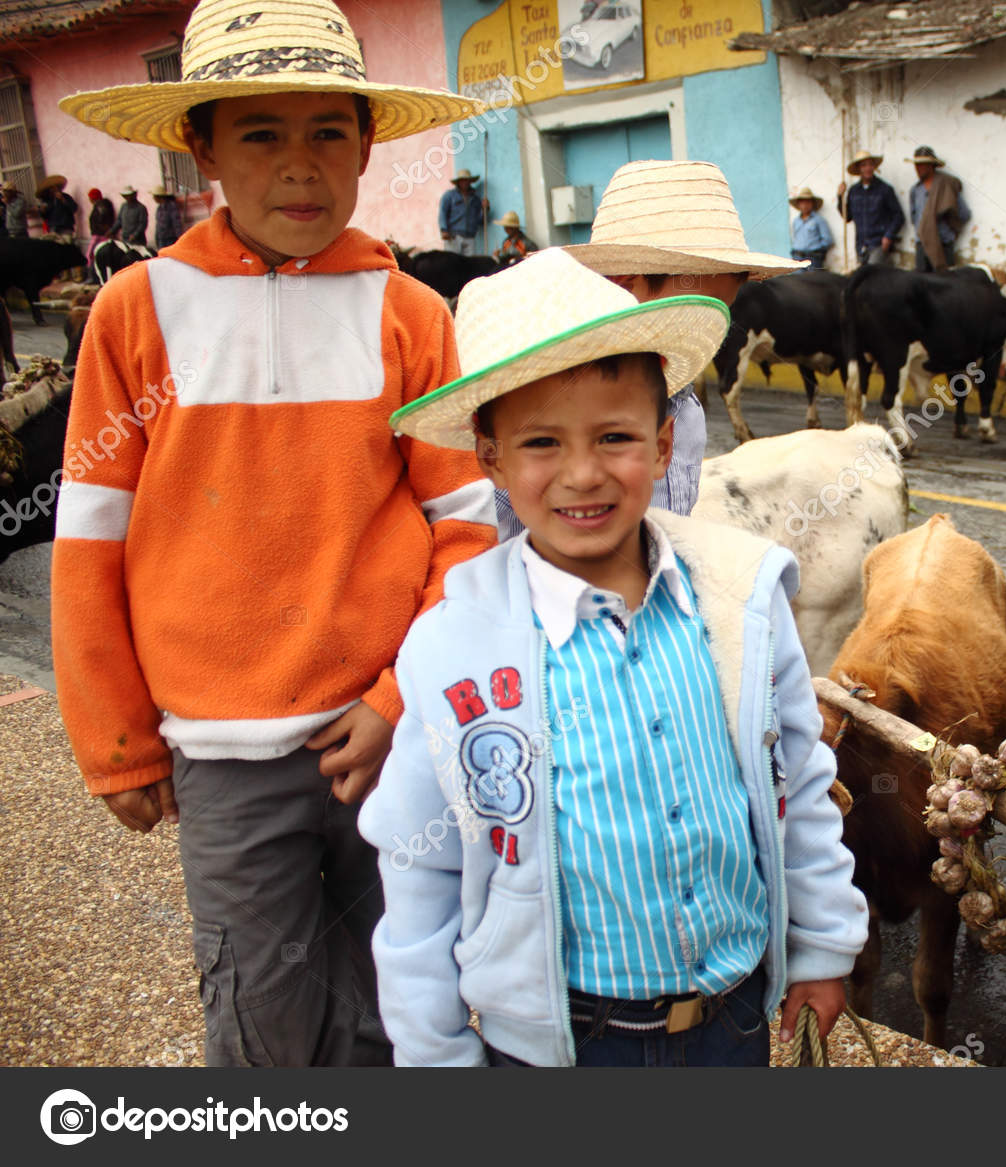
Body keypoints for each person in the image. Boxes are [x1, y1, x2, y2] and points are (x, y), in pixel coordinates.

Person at [52, 0, 494, 1067]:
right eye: (260, 134)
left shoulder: (410, 314)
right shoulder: (137, 309)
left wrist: (403, 701)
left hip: (387, 743)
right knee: (261, 1014)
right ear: (200, 146)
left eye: (327, 134)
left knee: (401, 995)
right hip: (220, 749)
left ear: (366, 145)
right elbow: (90, 539)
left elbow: (468, 533)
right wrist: (115, 741)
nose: (300, 167)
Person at [360, 247, 868, 1066]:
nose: (583, 474)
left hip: (732, 1023)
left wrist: (820, 943)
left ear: (666, 443)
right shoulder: (453, 645)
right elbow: (418, 866)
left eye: (616, 436)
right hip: (566, 1043)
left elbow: (798, 782)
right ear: (488, 456)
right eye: (541, 443)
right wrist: (436, 1053)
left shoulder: (740, 599)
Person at [556, 159, 802, 525]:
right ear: (624, 284)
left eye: (722, 313)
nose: (708, 333)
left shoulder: (684, 408)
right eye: (691, 313)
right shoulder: (549, 407)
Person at [906, 145, 968, 272]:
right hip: (922, 245)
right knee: (922, 284)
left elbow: (964, 214)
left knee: (945, 284)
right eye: (916, 165)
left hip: (943, 244)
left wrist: (949, 231)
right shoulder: (915, 190)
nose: (918, 168)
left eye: (922, 164)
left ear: (931, 165)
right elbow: (914, 218)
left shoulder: (946, 185)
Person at [836, 149, 903, 267]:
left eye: (870, 164)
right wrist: (840, 197)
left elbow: (899, 216)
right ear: (858, 169)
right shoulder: (853, 191)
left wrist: (888, 236)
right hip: (861, 245)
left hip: (878, 244)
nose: (868, 168)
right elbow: (848, 217)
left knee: (874, 277)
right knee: (865, 281)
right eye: (863, 165)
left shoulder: (885, 189)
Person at [439, 168, 485, 255]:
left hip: (470, 237)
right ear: (458, 182)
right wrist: (444, 230)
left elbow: (480, 220)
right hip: (454, 237)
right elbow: (443, 213)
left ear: (470, 182)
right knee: (452, 264)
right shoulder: (449, 195)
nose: (465, 183)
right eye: (462, 180)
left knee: (469, 264)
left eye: (467, 180)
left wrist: (485, 209)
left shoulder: (475, 199)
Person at [788, 187, 831, 269]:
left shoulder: (819, 220)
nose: (805, 205)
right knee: (796, 280)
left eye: (808, 202)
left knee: (812, 280)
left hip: (813, 259)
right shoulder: (796, 221)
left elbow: (827, 240)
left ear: (812, 204)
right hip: (797, 258)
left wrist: (816, 250)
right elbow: (795, 237)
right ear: (799, 204)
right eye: (802, 202)